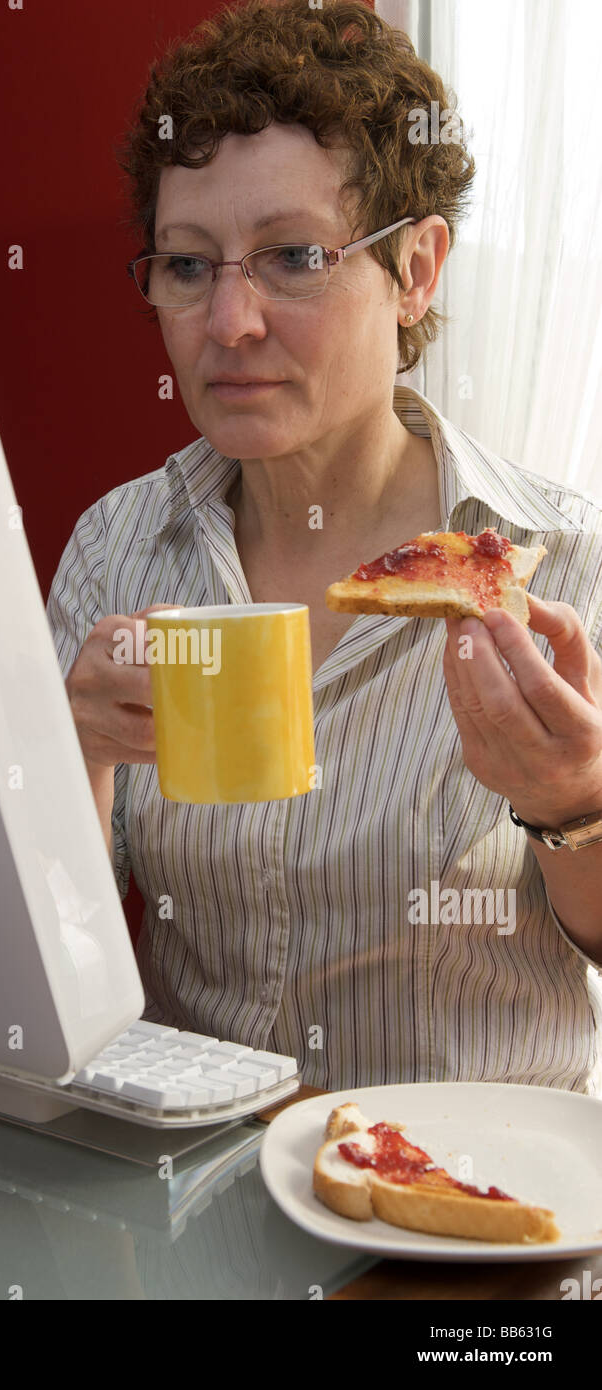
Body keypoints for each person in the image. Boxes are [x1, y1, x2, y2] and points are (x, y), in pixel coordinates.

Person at [46, 0, 602, 1092]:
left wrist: (576, 804)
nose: (231, 322)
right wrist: (70, 752)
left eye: (294, 255)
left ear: (418, 271)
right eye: (190, 266)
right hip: (189, 1205)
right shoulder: (117, 546)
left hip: (457, 1215)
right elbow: (43, 953)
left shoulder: (563, 560)